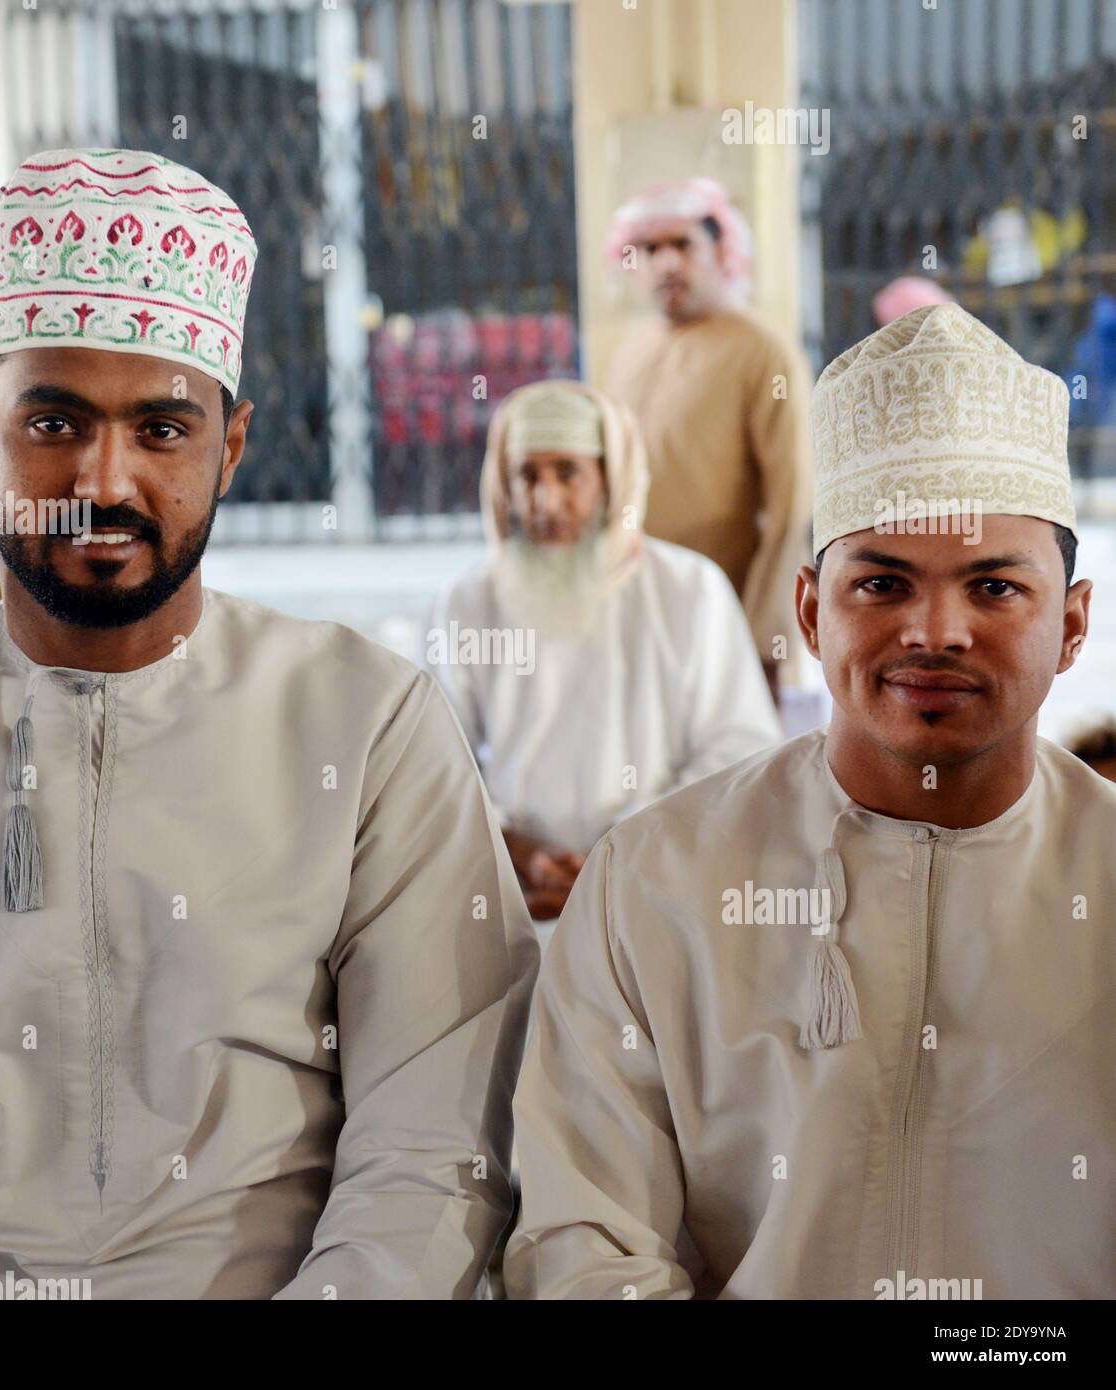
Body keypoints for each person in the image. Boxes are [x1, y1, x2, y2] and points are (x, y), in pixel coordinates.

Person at [0, 147, 536, 1300]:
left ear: (232, 442)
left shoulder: (368, 725)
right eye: (53, 419)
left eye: (162, 428)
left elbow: (432, 1151)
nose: (104, 478)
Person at [505, 304, 1113, 1299]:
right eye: (880, 583)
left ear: (1073, 623)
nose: (934, 631)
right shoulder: (654, 882)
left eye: (994, 587)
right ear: (807, 610)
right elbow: (582, 1243)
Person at [428, 380, 779, 924]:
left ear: (610, 479)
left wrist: (616, 858)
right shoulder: (467, 601)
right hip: (517, 894)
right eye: (527, 476)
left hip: (661, 895)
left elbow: (738, 754)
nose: (545, 501)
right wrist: (520, 853)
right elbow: (437, 760)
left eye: (568, 473)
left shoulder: (689, 590)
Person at [605, 178, 813, 691]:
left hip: (731, 627)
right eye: (651, 249)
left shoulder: (763, 350)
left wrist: (763, 630)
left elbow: (792, 505)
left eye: (683, 245)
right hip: (639, 617)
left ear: (721, 252)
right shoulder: (631, 351)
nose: (667, 263)